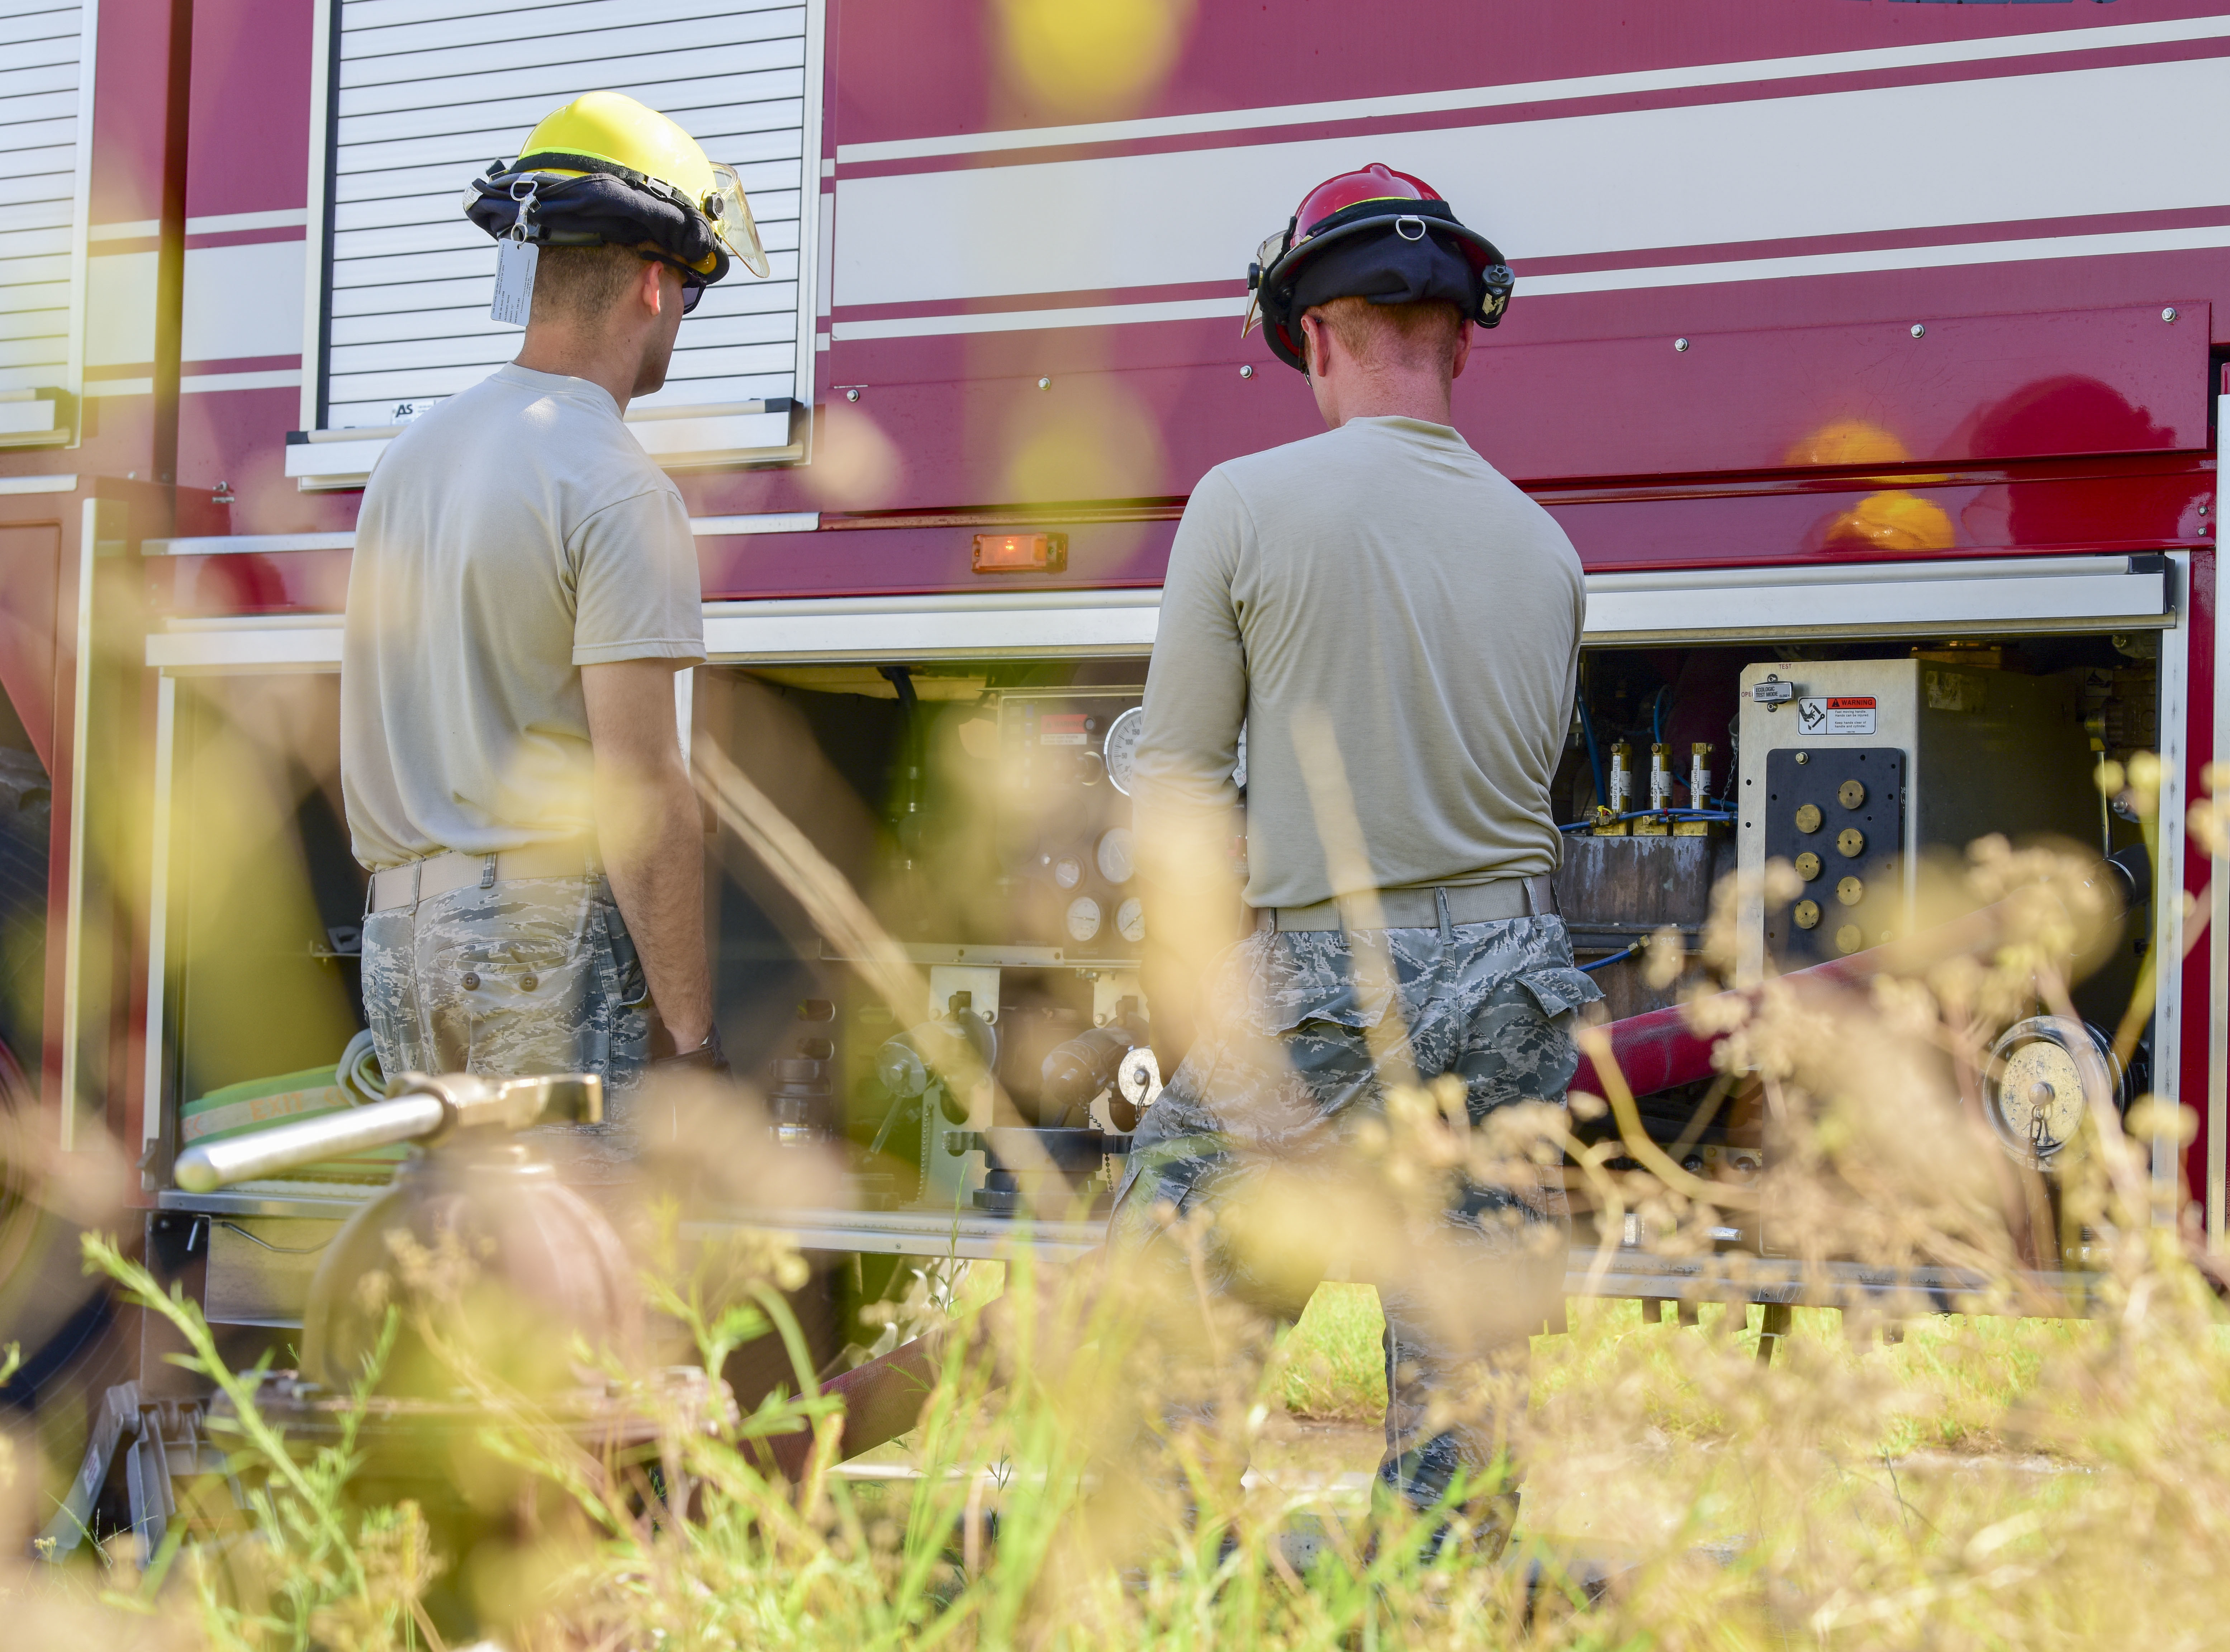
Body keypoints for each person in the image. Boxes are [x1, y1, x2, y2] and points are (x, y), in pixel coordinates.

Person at [1110, 163, 1598, 1546]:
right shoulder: (1546, 548)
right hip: (1514, 982)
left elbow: (1183, 786)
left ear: (1310, 335)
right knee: (1464, 1427)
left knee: (1158, 1378)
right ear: (1458, 339)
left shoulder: (1245, 503)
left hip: (1322, 972)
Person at [341, 92, 769, 1162]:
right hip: (535, 944)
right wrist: (691, 1038)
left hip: (399, 938)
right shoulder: (616, 484)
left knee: (463, 1277)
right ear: (655, 283)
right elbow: (638, 793)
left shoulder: (411, 457)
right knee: (573, 1296)